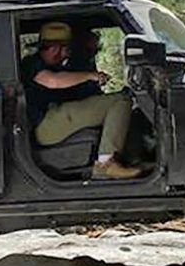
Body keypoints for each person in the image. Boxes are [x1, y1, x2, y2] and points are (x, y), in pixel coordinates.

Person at [20, 21, 143, 180]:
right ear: (55, 48)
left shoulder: (60, 66)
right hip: (45, 125)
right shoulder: (31, 64)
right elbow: (54, 81)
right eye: (65, 49)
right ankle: (105, 165)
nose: (67, 54)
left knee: (123, 103)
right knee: (119, 101)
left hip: (57, 117)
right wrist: (90, 76)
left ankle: (133, 161)